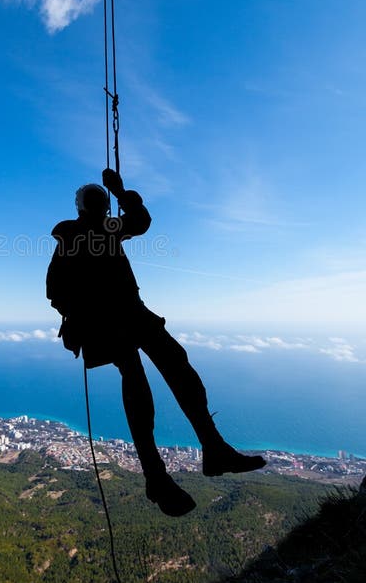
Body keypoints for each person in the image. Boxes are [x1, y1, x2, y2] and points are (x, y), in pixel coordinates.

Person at [46, 168, 266, 517]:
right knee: (159, 375)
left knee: (160, 373)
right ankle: (178, 466)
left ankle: (196, 457)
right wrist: (120, 191)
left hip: (118, 317)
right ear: (94, 206)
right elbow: (140, 221)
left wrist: (118, 193)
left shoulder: (83, 233)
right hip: (117, 318)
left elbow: (56, 290)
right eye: (100, 202)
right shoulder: (96, 230)